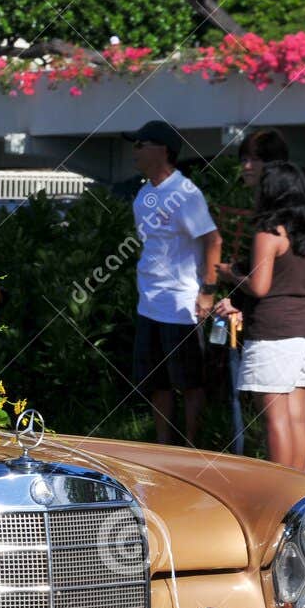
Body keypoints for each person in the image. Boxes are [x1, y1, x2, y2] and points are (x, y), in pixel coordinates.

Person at [215, 163, 305, 470]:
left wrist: (230, 274)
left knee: (275, 419)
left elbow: (259, 287)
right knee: (296, 417)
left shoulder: (269, 232)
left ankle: (281, 492)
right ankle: (299, 491)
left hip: (274, 334)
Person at [123, 119, 222, 447]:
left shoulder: (185, 194)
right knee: (157, 383)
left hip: (181, 305)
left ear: (163, 150)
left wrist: (207, 292)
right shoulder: (143, 194)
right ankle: (164, 446)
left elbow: (212, 240)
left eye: (140, 144)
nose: (134, 151)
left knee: (190, 382)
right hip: (149, 303)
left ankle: (193, 447)